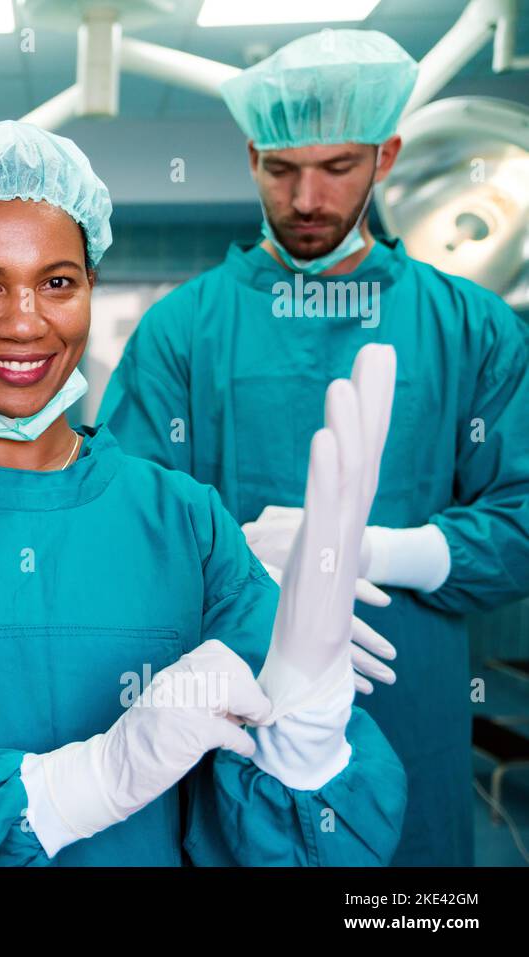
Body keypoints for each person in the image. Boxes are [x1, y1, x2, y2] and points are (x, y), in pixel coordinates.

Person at [0, 121, 407, 866]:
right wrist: (75, 790)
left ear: (91, 287)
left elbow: (320, 846)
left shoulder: (187, 523)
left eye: (57, 282)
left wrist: (305, 748)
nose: (23, 322)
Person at [98, 29, 529, 866]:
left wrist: (373, 549)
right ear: (253, 157)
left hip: (406, 708)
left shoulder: (471, 328)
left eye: (336, 168)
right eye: (280, 168)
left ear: (387, 155)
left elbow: (521, 521)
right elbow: (126, 524)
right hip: (232, 704)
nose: (305, 197)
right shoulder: (184, 330)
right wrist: (241, 564)